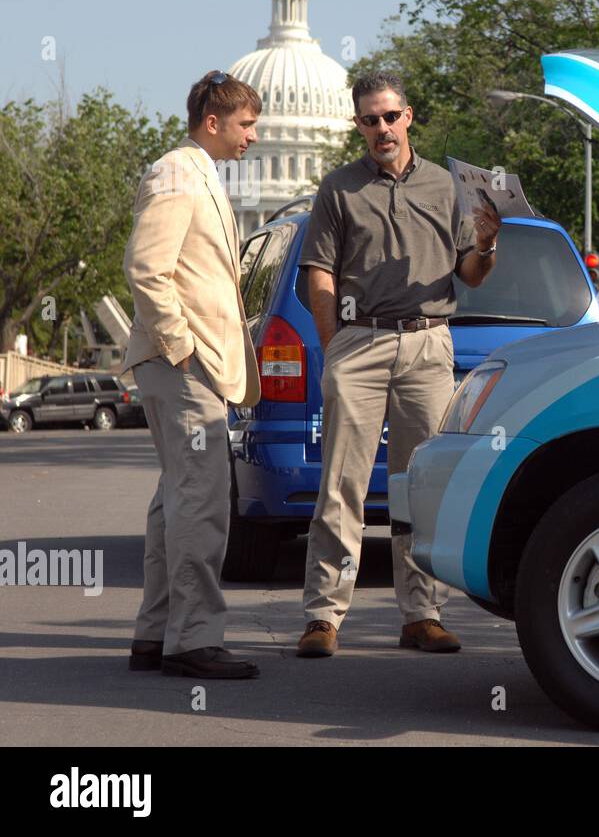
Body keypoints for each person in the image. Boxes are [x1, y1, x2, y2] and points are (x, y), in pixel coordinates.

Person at [296, 71, 501, 658]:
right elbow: (320, 273)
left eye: (390, 116)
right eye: (369, 119)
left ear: (409, 116)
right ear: (358, 125)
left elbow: (471, 273)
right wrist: (334, 344)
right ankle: (323, 617)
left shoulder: (447, 186)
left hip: (428, 344)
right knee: (341, 485)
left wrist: (486, 243)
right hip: (360, 343)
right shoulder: (337, 189)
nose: (381, 128)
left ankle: (422, 615)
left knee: (419, 487)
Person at [122, 70, 262, 679]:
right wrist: (184, 350)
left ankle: (156, 634)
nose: (253, 137)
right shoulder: (178, 172)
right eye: (246, 124)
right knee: (201, 501)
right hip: (184, 365)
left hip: (185, 364)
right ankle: (193, 640)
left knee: (174, 501)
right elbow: (146, 268)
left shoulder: (196, 172)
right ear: (213, 122)